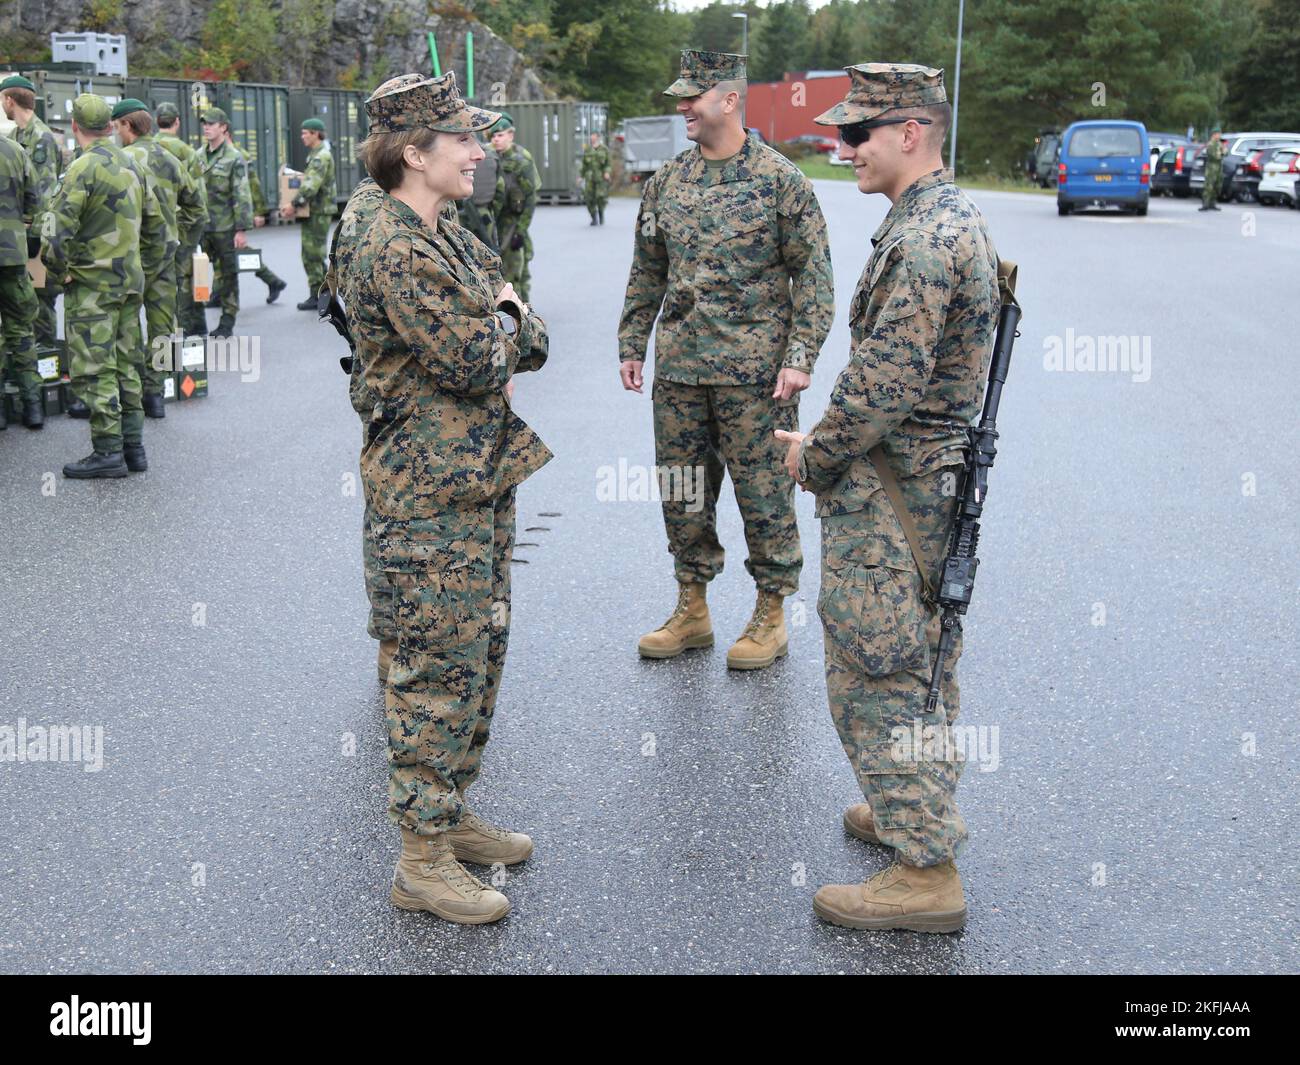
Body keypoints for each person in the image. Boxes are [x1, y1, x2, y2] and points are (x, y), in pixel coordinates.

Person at [775, 63, 1001, 933]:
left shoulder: (921, 239)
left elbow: (881, 384)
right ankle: (913, 804)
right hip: (925, 481)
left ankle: (924, 867)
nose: (845, 149)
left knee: (878, 667)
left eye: (859, 133)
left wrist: (816, 457)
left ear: (912, 132)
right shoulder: (946, 216)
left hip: (895, 487)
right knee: (925, 654)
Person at [337, 73, 552, 924]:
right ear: (413, 154)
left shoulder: (444, 225)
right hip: (427, 491)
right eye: (462, 140)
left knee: (478, 652)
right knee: (434, 664)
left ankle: (451, 811)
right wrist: (506, 319)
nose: (480, 151)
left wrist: (505, 320)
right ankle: (420, 857)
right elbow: (479, 355)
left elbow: (519, 331)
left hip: (475, 472)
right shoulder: (391, 242)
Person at [618, 49, 833, 669]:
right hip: (681, 372)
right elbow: (647, 270)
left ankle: (771, 612)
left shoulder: (780, 181)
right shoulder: (668, 181)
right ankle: (693, 606)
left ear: (730, 100)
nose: (682, 106)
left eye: (693, 96)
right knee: (683, 492)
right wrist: (633, 343)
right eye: (681, 96)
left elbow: (813, 276)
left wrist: (800, 356)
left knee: (764, 494)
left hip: (758, 378)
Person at [42, 94, 166, 479]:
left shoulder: (81, 168)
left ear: (75, 127)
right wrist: (141, 269)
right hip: (129, 283)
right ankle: (134, 447)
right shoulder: (132, 165)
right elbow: (158, 230)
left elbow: (55, 231)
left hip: (92, 285)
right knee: (128, 364)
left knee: (95, 369)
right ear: (110, 127)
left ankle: (108, 452)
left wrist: (57, 271)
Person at [113, 99, 195, 419]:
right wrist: (183, 245)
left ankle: (129, 393)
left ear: (127, 126)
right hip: (164, 257)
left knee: (127, 326)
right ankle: (156, 394)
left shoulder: (120, 160)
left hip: (127, 259)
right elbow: (195, 206)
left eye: (117, 125)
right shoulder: (170, 159)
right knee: (163, 325)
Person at [1, 75, 64, 351]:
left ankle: (47, 356)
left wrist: (37, 234)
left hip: (39, 232)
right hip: (19, 234)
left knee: (41, 295)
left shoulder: (42, 138)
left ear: (9, 100)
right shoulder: (15, 137)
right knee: (24, 300)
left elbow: (45, 192)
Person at [154, 102, 210, 338]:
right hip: (184, 222)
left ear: (157, 122)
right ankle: (191, 325)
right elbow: (198, 192)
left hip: (157, 223)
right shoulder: (188, 151)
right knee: (187, 274)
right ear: (177, 121)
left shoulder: (149, 148)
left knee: (164, 277)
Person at [198, 107, 253, 338]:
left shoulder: (233, 157)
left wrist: (240, 229)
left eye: (211, 124)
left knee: (228, 274)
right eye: (205, 124)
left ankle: (227, 320)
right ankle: (196, 319)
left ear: (223, 127)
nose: (207, 127)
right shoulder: (198, 155)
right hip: (202, 226)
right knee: (198, 273)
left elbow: (242, 194)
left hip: (225, 227)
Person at [0, 129, 42, 430]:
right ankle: (33, 406)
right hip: (13, 252)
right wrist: (25, 232)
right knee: (21, 329)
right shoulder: (16, 150)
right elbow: (35, 200)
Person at [225, 132, 288, 304]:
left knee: (233, 248)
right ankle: (219, 292)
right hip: (223, 211)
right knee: (224, 250)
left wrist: (259, 212)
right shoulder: (219, 154)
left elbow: (252, 184)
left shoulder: (239, 155)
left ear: (226, 132)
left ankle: (272, 280)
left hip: (235, 210)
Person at [282, 117, 336, 308]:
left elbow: (310, 187)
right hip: (316, 211)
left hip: (318, 212)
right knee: (312, 254)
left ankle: (321, 297)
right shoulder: (317, 154)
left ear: (316, 134)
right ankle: (323, 295)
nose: (302, 136)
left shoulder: (321, 156)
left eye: (305, 133)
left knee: (312, 254)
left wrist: (293, 205)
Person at [489, 112, 539, 301]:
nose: (496, 140)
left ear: (511, 135)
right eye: (493, 136)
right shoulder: (488, 157)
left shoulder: (521, 161)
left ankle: (524, 308)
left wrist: (521, 230)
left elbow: (530, 199)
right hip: (494, 221)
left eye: (500, 135)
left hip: (513, 221)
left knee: (517, 270)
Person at [580, 131, 611, 225]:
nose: (591, 138)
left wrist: (607, 172)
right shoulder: (587, 149)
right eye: (591, 136)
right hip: (589, 178)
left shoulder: (604, 149)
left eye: (593, 136)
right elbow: (584, 165)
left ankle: (601, 213)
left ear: (598, 137)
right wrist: (581, 176)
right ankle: (594, 217)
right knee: (588, 198)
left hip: (600, 177)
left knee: (600, 197)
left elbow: (608, 164)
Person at [1200, 128, 1223, 212]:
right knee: (1208, 186)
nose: (1219, 135)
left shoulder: (1220, 144)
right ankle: (1205, 204)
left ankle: (1212, 203)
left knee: (1217, 186)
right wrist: (1221, 154)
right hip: (1211, 168)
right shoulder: (1210, 144)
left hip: (1218, 168)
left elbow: (1225, 152)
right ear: (1214, 134)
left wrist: (1221, 153)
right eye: (1218, 134)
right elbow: (1214, 156)